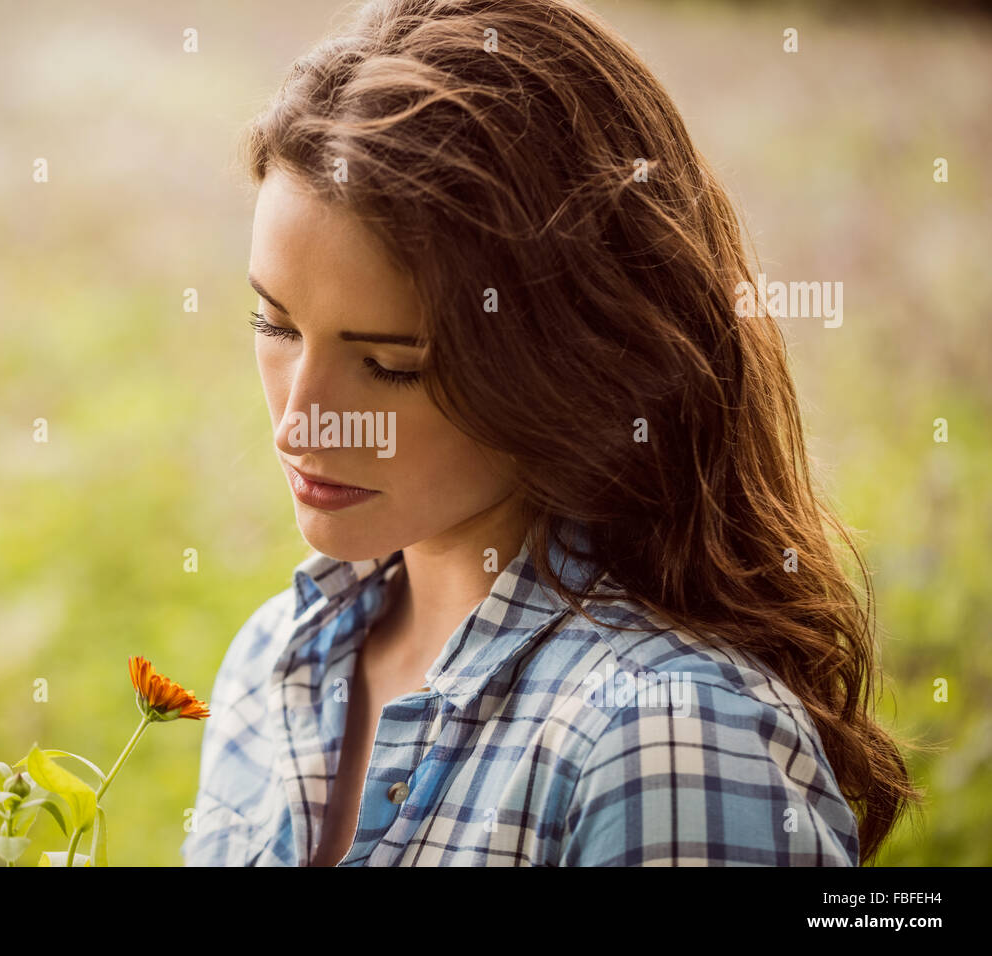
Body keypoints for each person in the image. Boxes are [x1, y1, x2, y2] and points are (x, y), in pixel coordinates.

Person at [181, 0, 919, 866]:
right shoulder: (272, 663)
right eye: (276, 326)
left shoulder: (664, 743)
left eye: (393, 364)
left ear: (569, 357)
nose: (302, 422)